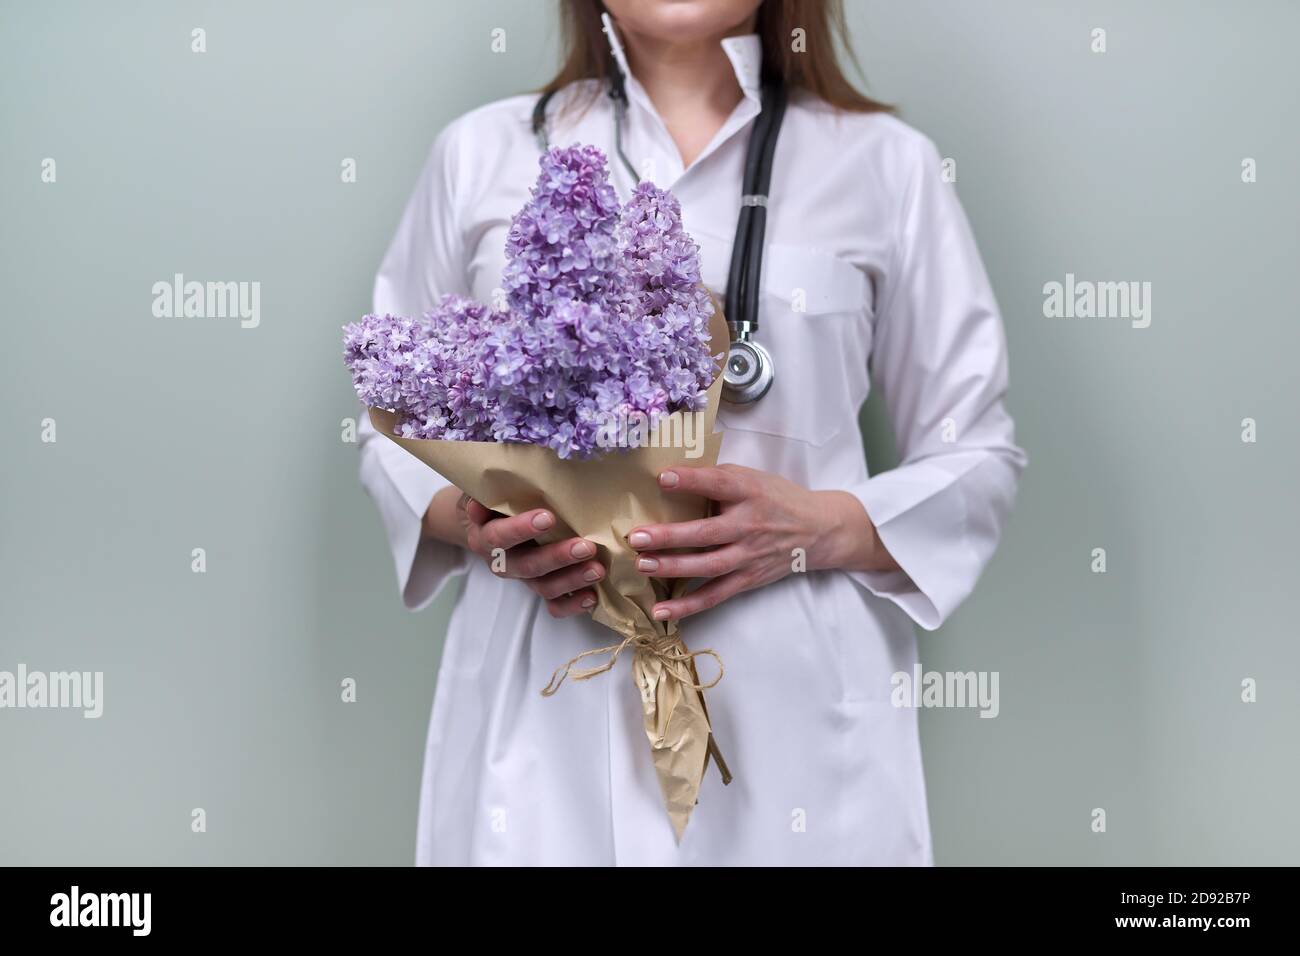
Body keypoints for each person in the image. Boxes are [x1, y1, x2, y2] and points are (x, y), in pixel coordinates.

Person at [357, 0, 1025, 865]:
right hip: (541, 702)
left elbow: (977, 453)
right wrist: (478, 526)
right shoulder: (480, 153)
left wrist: (817, 531)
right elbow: (386, 420)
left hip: (795, 709)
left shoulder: (888, 166)